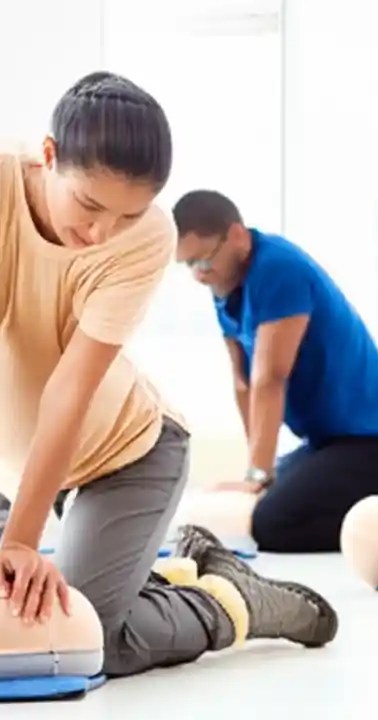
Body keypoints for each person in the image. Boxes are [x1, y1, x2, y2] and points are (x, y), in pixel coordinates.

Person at [0, 71, 336, 678]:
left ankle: (229, 600)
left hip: (126, 456)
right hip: (25, 469)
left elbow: (71, 388)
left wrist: (20, 543)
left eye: (126, 214)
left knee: (81, 639)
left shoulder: (149, 237)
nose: (102, 233)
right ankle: (155, 573)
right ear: (48, 156)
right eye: (90, 205)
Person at [171, 190, 378, 553]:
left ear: (238, 236)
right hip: (333, 442)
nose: (200, 275)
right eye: (188, 265)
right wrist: (256, 473)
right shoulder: (223, 284)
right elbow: (244, 383)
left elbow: (270, 377)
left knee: (272, 524)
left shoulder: (278, 268)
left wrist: (259, 474)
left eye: (204, 260)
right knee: (270, 499)